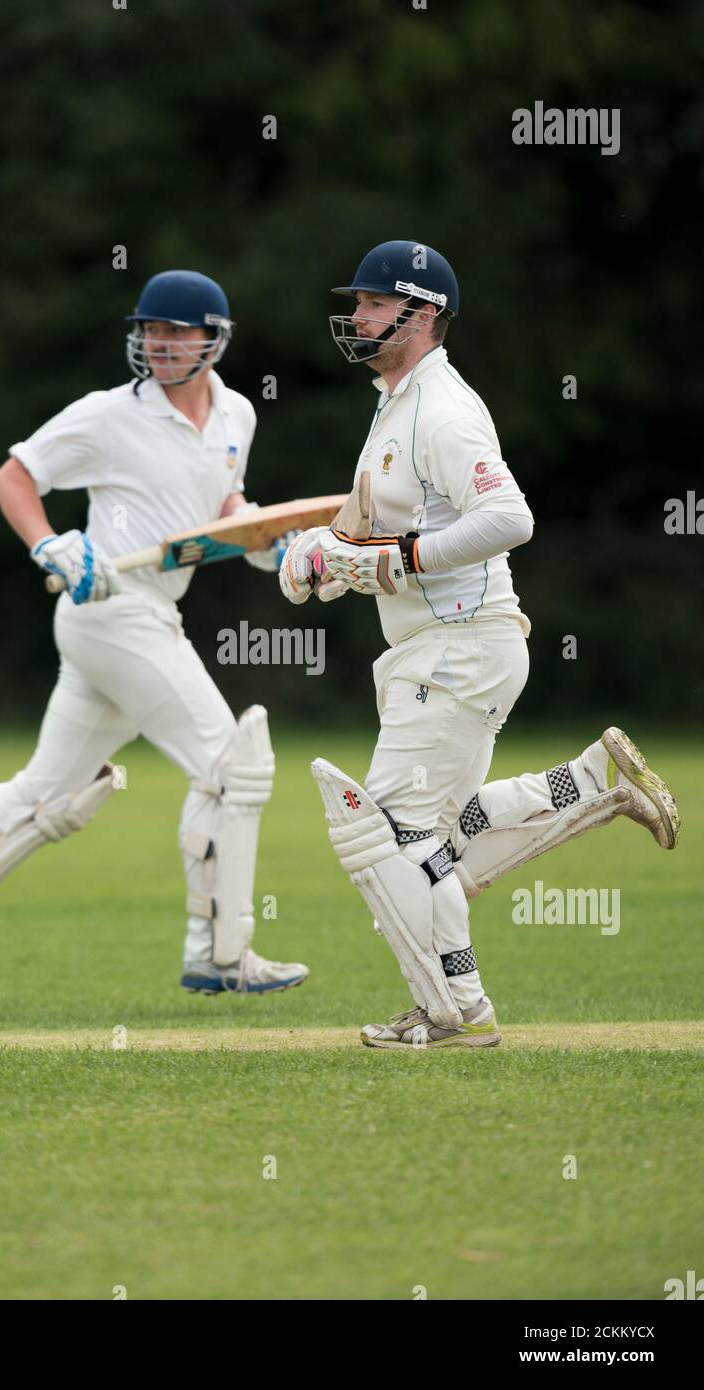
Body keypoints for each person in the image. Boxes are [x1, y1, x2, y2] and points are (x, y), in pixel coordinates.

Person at [279, 239, 678, 1050]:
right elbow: (376, 522)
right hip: (443, 648)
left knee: (386, 828)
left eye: (371, 302)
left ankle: (453, 1011)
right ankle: (587, 782)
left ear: (421, 315)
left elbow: (509, 519)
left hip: (458, 645)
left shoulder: (444, 409)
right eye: (355, 303)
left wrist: (383, 559)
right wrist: (320, 555)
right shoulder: (394, 403)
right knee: (443, 836)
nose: (355, 316)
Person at [0, 269, 309, 1005]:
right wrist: (51, 546)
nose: (160, 344)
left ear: (215, 339)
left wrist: (259, 536)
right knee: (230, 766)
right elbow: (15, 479)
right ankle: (219, 951)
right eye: (150, 331)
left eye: (176, 332)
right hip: (109, 609)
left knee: (50, 795)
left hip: (147, 614)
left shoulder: (237, 416)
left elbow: (219, 506)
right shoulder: (108, 416)